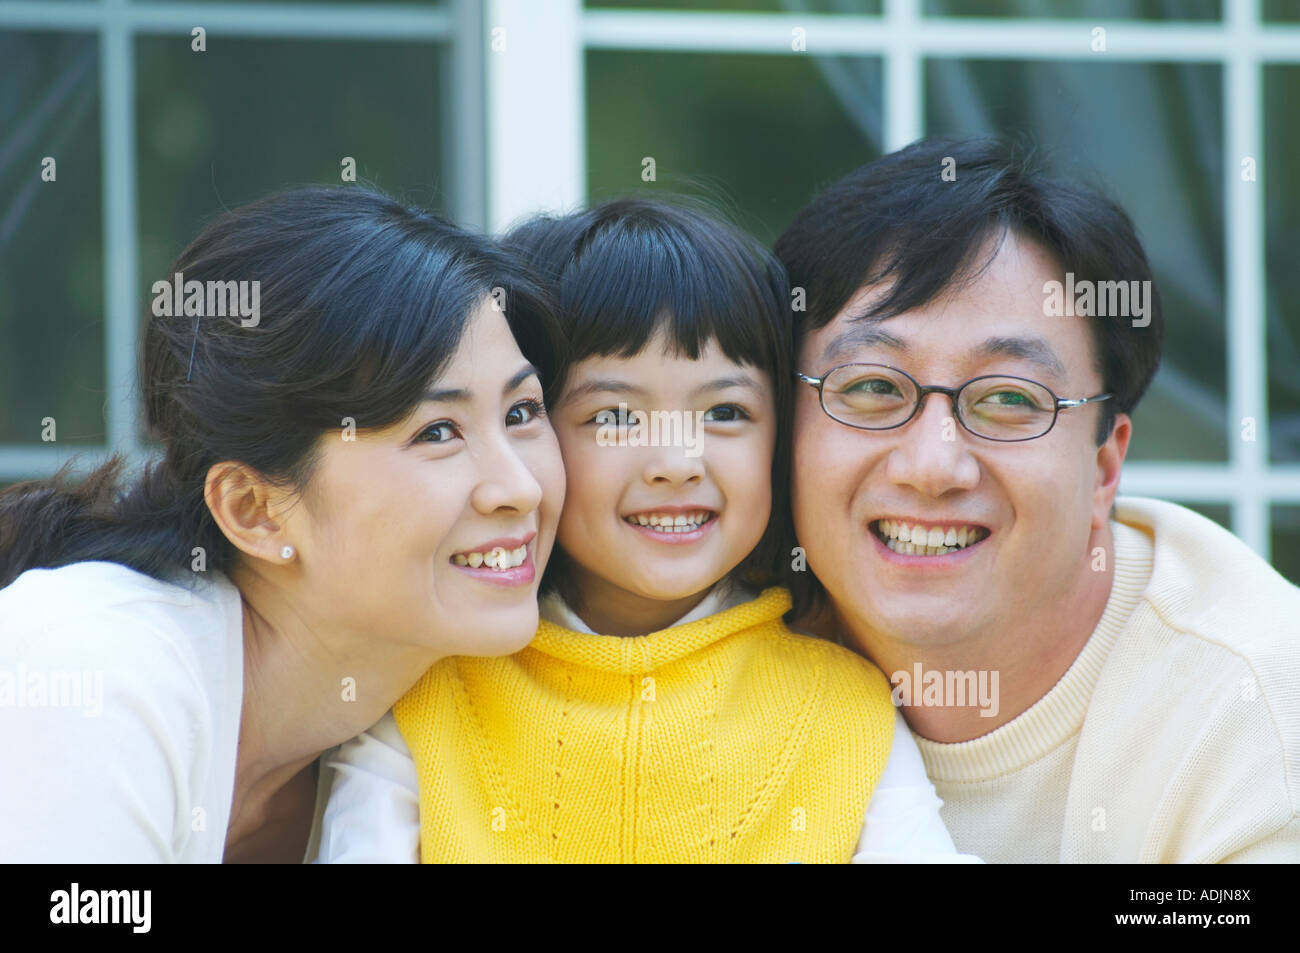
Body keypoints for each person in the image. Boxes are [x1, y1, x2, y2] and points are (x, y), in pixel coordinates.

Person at [315, 197, 977, 863]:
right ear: (528, 431)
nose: (675, 463)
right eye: (614, 417)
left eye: (723, 410)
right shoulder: (426, 690)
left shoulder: (847, 713)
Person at [0, 186, 567, 862]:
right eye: (438, 431)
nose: (520, 486)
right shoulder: (94, 668)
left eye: (522, 412)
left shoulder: (415, 736)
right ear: (254, 510)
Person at [776, 137, 1300, 862]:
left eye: (1008, 399)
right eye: (872, 387)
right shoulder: (708, 633)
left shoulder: (1258, 711)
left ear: (1105, 464)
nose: (933, 466)